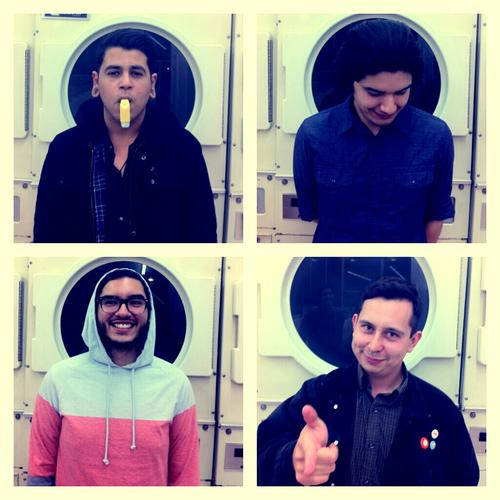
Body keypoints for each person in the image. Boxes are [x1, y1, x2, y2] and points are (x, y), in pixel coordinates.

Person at [257, 277, 479, 486]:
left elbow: (466, 481)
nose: (374, 345)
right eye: (368, 328)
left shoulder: (441, 412)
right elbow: (260, 450)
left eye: (391, 334)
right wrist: (291, 458)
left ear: (413, 341)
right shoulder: (318, 393)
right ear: (354, 325)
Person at [33, 28, 217, 242]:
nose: (126, 83)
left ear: (152, 85)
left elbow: (203, 238)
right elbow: (45, 236)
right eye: (114, 73)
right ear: (96, 83)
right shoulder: (64, 149)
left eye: (136, 73)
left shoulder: (183, 150)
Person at [27, 268, 199, 486]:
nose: (123, 312)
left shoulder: (175, 383)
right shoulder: (59, 378)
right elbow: (40, 473)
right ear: (95, 310)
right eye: (110, 302)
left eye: (135, 302)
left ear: (149, 311)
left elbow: (185, 478)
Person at [293, 19, 454, 243]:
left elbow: (436, 214)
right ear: (352, 83)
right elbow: (312, 211)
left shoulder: (436, 136)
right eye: (374, 93)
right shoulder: (313, 134)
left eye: (401, 93)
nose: (389, 107)